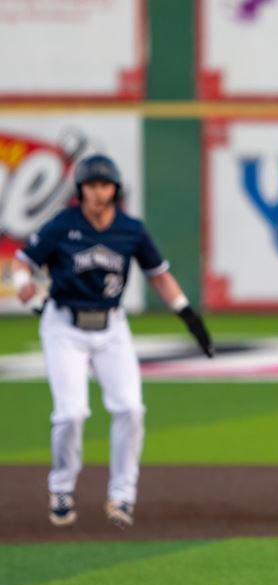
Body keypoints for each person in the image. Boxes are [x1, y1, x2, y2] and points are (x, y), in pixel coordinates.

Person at [10, 154, 214, 528]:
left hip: (111, 327)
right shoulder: (63, 225)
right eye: (91, 185)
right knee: (71, 414)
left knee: (131, 410)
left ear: (115, 190)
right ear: (81, 190)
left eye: (105, 185)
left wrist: (188, 315)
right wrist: (24, 285)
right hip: (64, 326)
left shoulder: (130, 230)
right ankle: (61, 488)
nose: (98, 192)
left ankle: (122, 496)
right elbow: (23, 261)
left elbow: (159, 275)